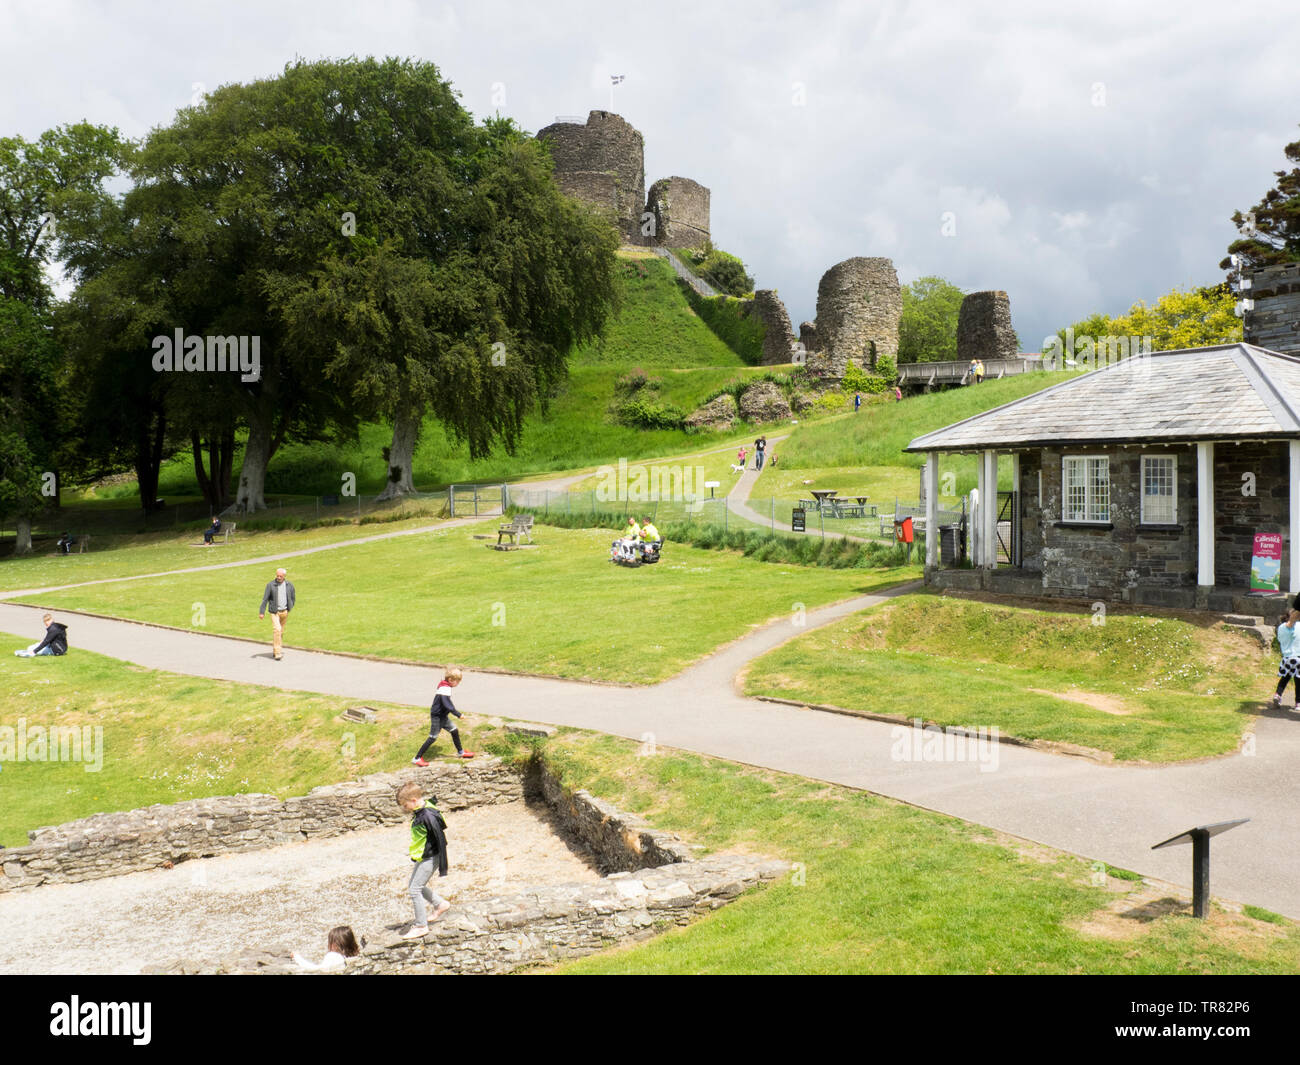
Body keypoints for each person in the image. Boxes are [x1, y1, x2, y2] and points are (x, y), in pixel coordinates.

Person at [397, 781, 450, 939]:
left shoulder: (427, 815)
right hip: (424, 855)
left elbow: (440, 838)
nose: (404, 809)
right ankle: (440, 904)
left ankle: (421, 926)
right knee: (415, 885)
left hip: (430, 856)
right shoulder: (423, 810)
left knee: (414, 889)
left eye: (405, 805)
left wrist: (442, 865)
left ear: (413, 800)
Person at [412, 668, 474, 763]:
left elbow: (447, 704)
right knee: (433, 737)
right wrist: (458, 714)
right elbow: (447, 704)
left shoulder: (444, 685)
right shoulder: (445, 688)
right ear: (450, 680)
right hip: (437, 716)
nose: (458, 684)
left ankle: (460, 752)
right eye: (457, 681)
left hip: (442, 716)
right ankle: (416, 758)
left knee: (454, 730)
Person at [258, 567, 296, 661]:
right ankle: (278, 653)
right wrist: (261, 612)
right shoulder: (271, 585)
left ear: (284, 576)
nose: (278, 577)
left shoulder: (289, 585)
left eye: (280, 576)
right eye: (277, 575)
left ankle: (276, 650)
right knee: (277, 630)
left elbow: (293, 597)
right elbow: (265, 599)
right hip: (274, 612)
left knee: (280, 632)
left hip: (285, 611)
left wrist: (290, 607)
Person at [293, 926, 362, 971]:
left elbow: (316, 970)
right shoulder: (356, 958)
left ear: (335, 944)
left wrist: (297, 957)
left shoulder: (334, 956)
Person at [1274, 610, 1300, 708]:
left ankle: (1278, 695)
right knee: (1298, 681)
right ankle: (1298, 703)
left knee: (1284, 678)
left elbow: (1280, 640)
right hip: (1299, 657)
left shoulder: (1281, 627)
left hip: (1287, 658)